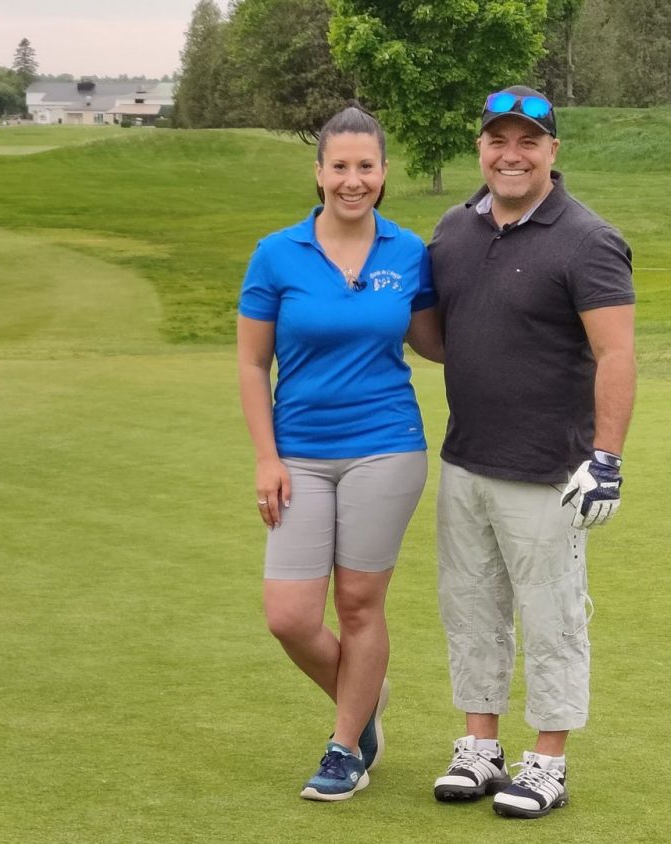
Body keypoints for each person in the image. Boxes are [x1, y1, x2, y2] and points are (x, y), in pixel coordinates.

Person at [427, 85, 635, 819]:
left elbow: (616, 353)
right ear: (480, 148)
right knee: (470, 609)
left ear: (552, 150)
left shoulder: (589, 237)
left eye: (528, 142)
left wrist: (605, 456)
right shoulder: (452, 230)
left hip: (548, 468)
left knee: (552, 615)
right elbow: (436, 335)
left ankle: (547, 761)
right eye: (497, 141)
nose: (511, 156)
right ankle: (479, 746)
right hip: (464, 459)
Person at [237, 105, 444, 802]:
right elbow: (249, 364)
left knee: (359, 603)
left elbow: (433, 341)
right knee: (289, 616)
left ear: (383, 174)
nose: (352, 180)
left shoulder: (408, 252)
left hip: (386, 445)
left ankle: (344, 744)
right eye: (339, 167)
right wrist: (267, 458)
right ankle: (365, 698)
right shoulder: (276, 254)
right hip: (298, 452)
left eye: (366, 167)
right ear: (318, 173)